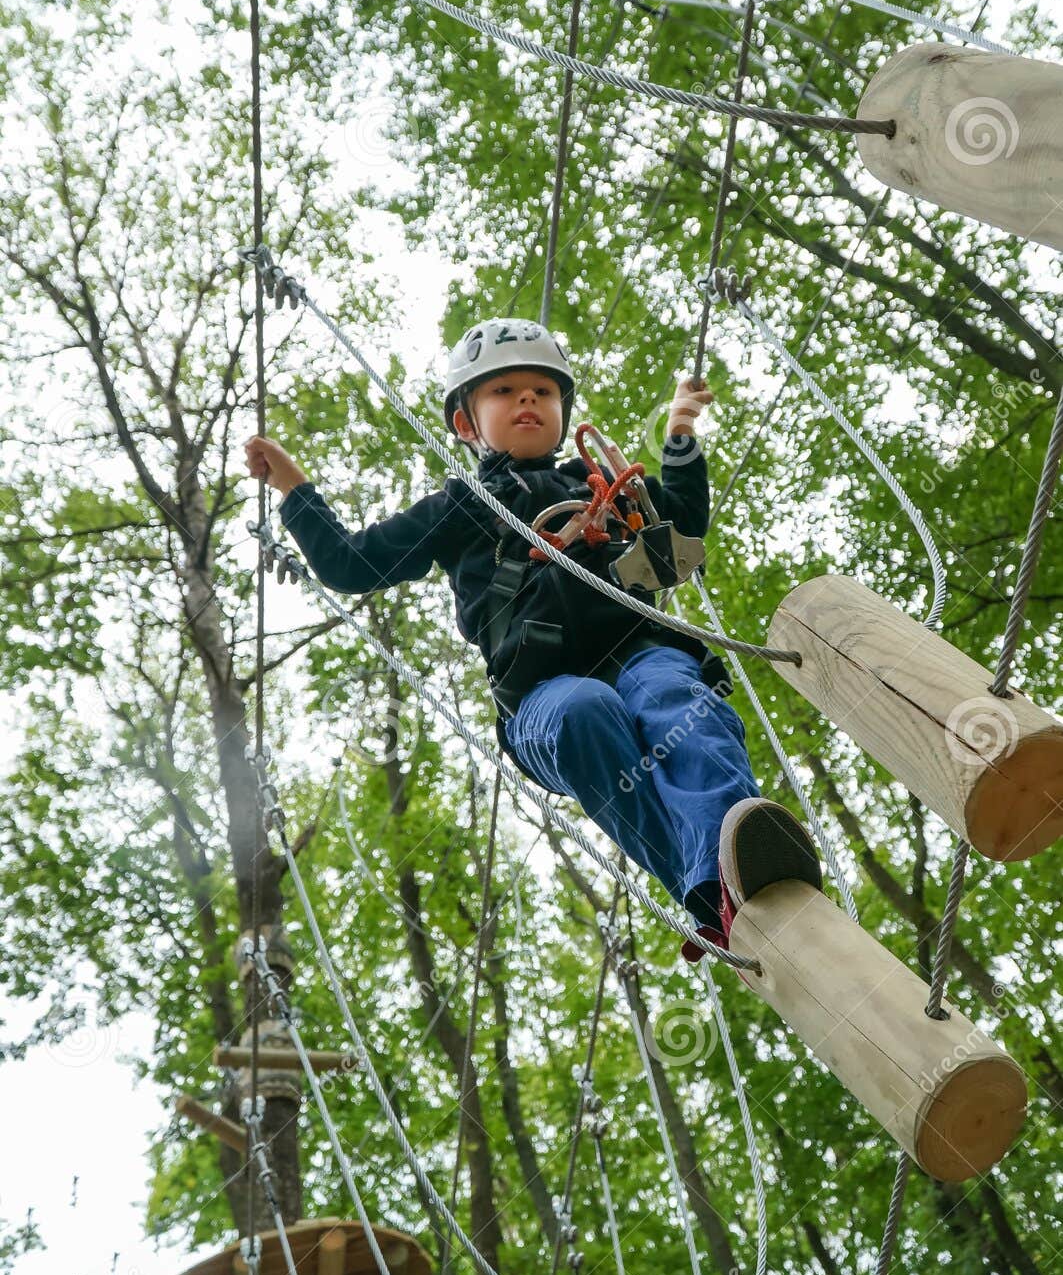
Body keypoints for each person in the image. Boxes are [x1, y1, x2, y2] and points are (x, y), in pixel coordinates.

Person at [245, 318, 821, 957]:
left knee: (679, 704)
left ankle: (730, 869)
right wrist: (293, 490)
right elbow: (353, 563)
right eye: (505, 392)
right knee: (586, 711)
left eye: (543, 393)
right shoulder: (463, 507)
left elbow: (683, 522)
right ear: (466, 424)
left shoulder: (597, 482)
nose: (527, 402)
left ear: (562, 411)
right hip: (542, 693)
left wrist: (680, 434)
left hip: (640, 650)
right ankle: (705, 886)